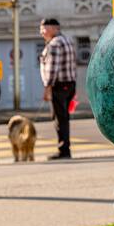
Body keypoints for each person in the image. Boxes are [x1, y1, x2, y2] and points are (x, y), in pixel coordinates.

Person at [38, 17, 77, 160]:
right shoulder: (67, 40)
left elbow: (52, 68)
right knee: (64, 117)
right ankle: (65, 148)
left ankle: (64, 150)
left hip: (58, 85)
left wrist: (47, 87)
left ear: (54, 28)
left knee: (60, 119)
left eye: (43, 28)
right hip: (69, 83)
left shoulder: (54, 44)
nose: (41, 32)